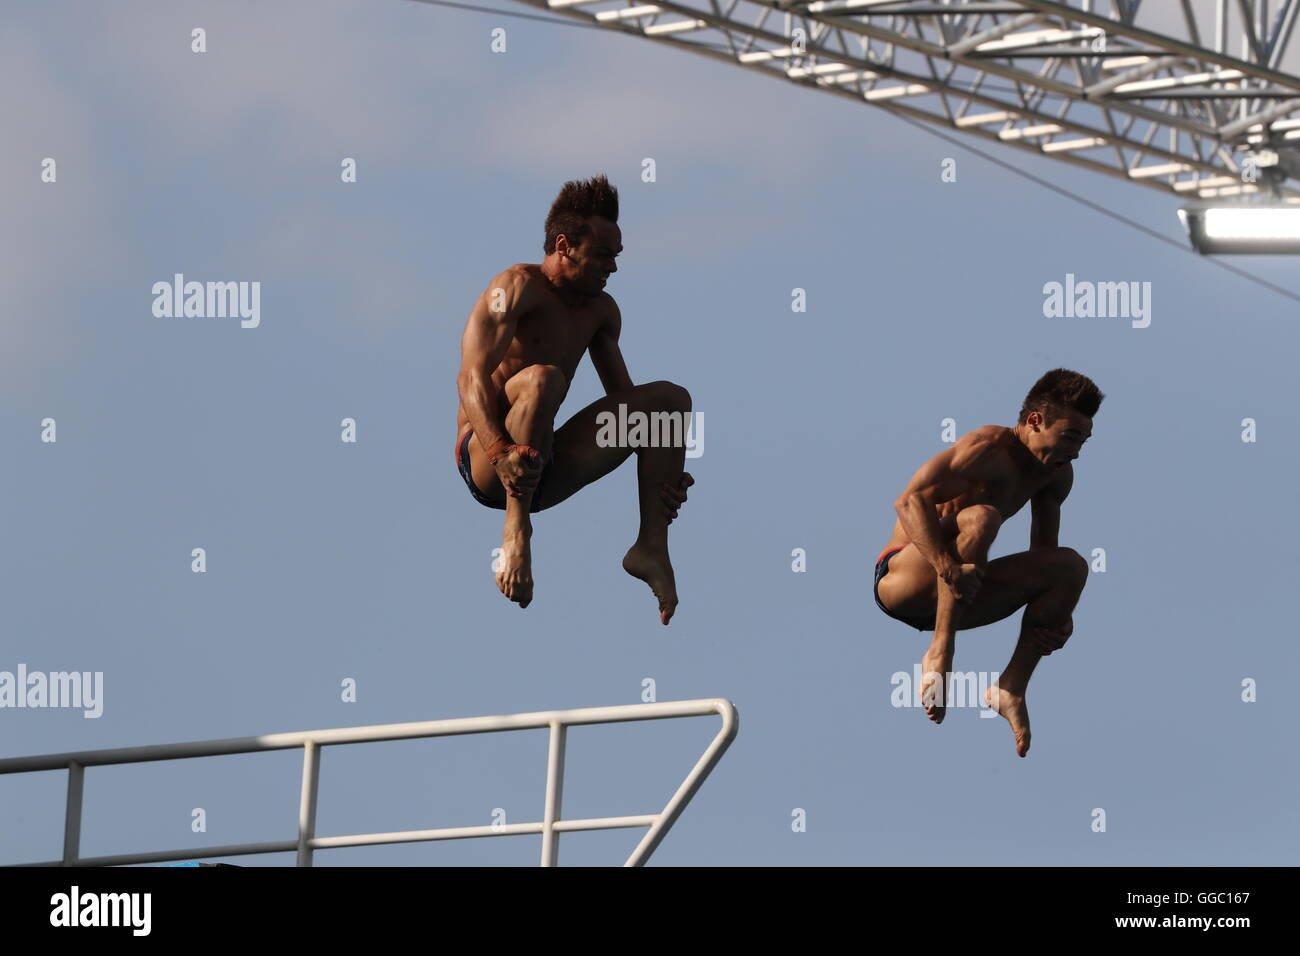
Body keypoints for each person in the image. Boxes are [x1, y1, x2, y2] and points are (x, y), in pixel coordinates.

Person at [454, 174, 694, 624]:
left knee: (669, 403)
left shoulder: (600, 311)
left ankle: (651, 548)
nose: (614, 268)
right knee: (543, 378)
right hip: (487, 456)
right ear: (564, 245)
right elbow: (469, 379)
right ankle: (516, 529)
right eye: (604, 255)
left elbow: (627, 406)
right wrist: (499, 451)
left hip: (545, 460)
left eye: (617, 257)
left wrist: (666, 469)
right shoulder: (515, 288)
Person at [873, 369, 1103, 755]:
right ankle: (939, 651)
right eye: (1070, 437)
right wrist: (946, 565)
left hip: (963, 593)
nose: (1076, 451)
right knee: (982, 518)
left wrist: (1057, 616)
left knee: (1071, 567)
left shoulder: (1056, 476)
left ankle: (1011, 687)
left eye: (1084, 440)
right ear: (1035, 421)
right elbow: (908, 502)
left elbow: (1041, 556)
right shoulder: (986, 447)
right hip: (905, 578)